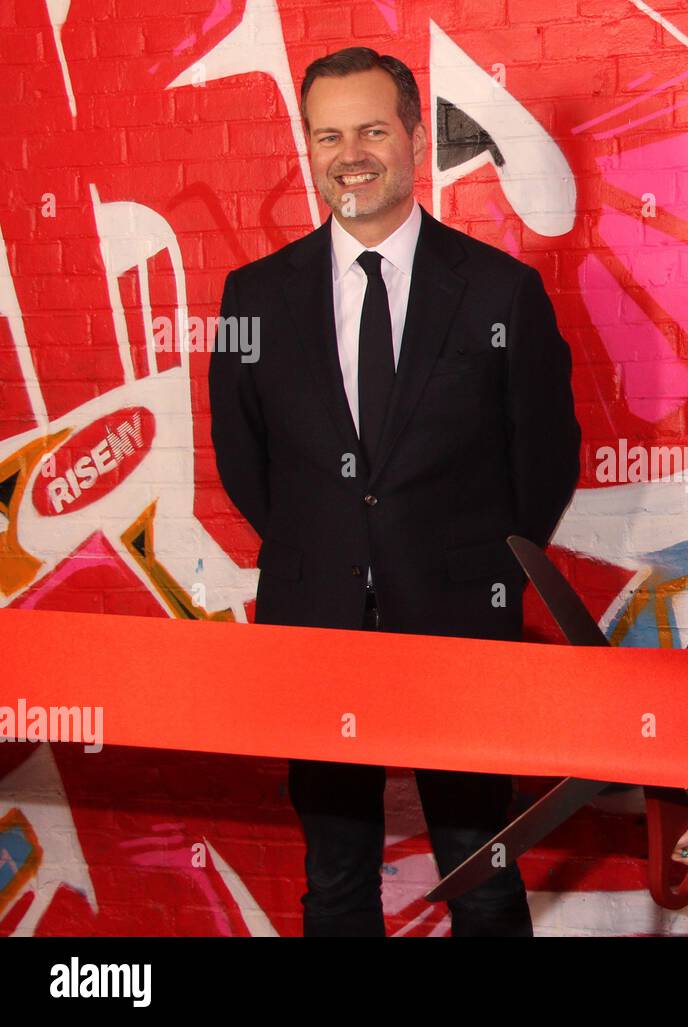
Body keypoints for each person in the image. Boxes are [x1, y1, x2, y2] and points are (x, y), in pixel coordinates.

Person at [208, 46, 580, 936]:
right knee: (335, 880)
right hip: (313, 627)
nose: (351, 153)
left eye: (373, 129)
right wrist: (331, 548)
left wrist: (465, 567)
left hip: (462, 628)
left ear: (415, 137)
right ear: (308, 146)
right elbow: (244, 464)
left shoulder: (501, 290)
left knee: (481, 876)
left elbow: (545, 461)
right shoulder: (252, 298)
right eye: (328, 134)